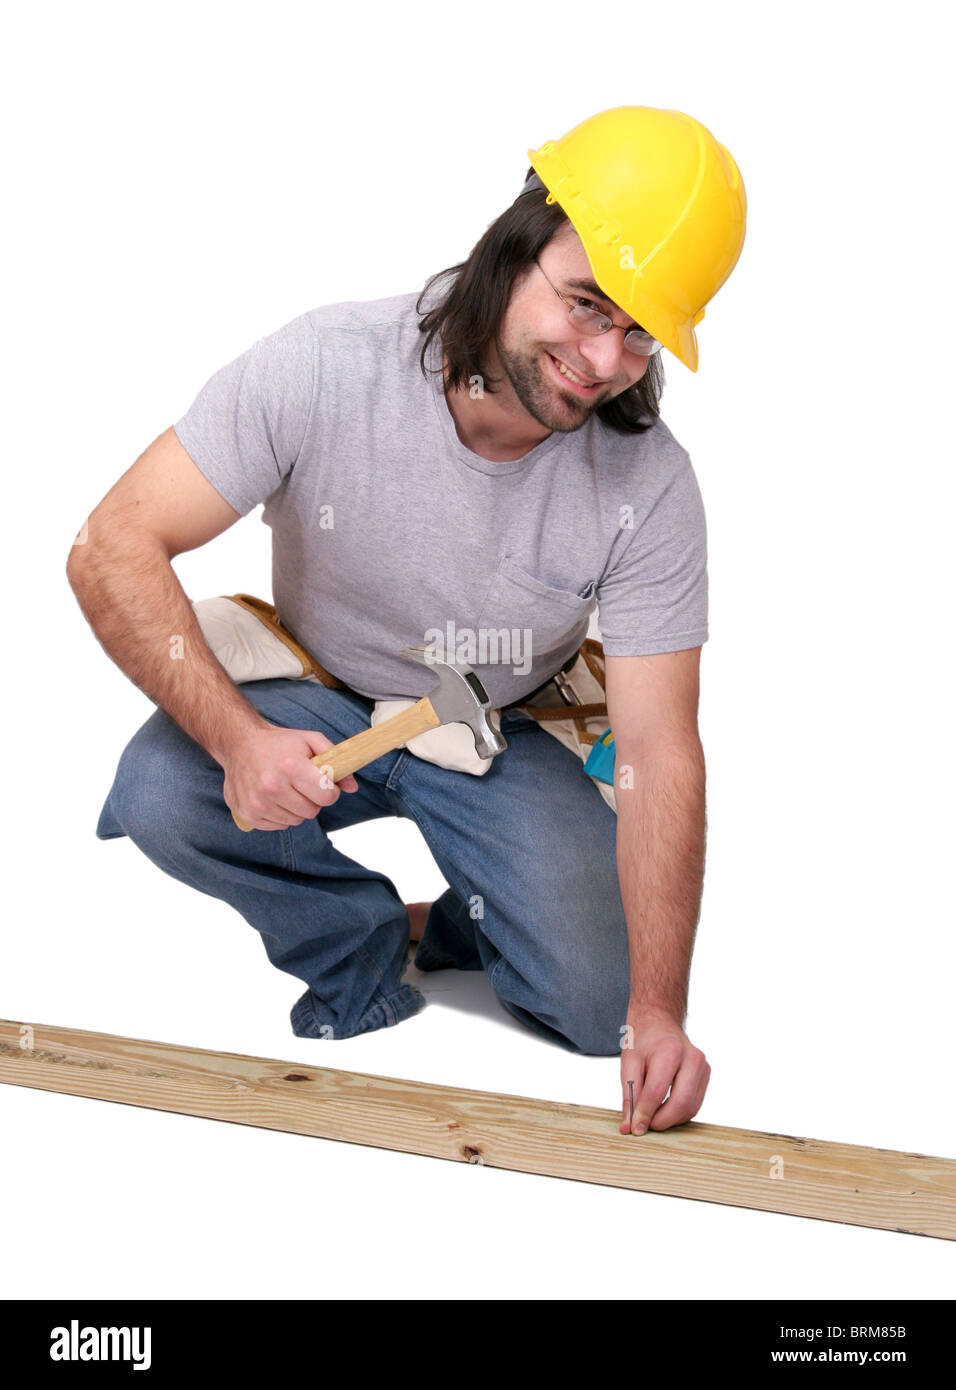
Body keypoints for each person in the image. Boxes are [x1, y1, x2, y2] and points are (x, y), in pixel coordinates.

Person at [67, 106, 747, 1136]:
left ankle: (468, 924)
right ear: (512, 245)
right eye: (584, 304)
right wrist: (240, 741)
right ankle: (356, 940)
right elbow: (110, 544)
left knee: (596, 1003)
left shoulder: (647, 484)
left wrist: (657, 1010)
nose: (603, 357)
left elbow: (657, 744)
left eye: (638, 330)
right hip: (321, 695)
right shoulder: (327, 366)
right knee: (163, 787)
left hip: (500, 725)